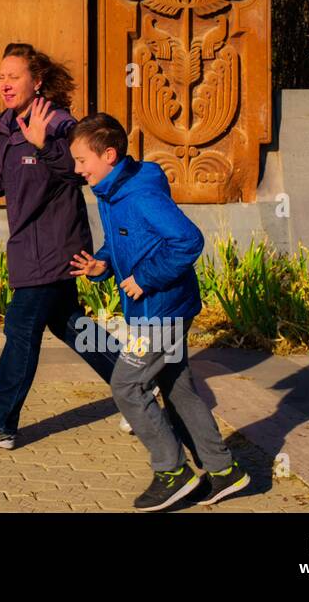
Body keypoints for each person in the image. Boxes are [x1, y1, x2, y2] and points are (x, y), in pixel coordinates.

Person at [68, 112, 250, 510]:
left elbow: (187, 241)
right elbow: (128, 244)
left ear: (109, 155)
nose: (77, 168)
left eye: (83, 160)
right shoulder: (114, 191)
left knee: (127, 386)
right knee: (177, 387)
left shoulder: (141, 195)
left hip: (161, 310)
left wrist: (145, 277)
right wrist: (103, 264)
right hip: (155, 306)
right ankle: (224, 472)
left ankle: (173, 472)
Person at [0, 43, 118, 450]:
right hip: (27, 245)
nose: (5, 84)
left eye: (14, 76)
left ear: (36, 81)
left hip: (56, 245)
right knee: (72, 326)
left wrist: (44, 144)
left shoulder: (59, 123)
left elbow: (79, 173)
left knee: (21, 329)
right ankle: (138, 379)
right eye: (2, 77)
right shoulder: (4, 128)